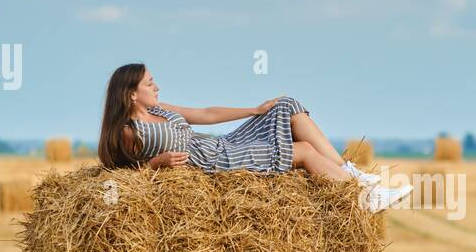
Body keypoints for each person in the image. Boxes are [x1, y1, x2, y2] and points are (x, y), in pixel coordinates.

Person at [97, 63, 410, 212]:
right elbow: (126, 175)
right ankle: (360, 196)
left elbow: (206, 114)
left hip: (220, 145)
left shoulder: (162, 109)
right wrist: (157, 163)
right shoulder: (130, 132)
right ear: (131, 93)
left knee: (286, 103)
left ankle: (353, 174)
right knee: (302, 151)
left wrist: (253, 110)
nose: (157, 87)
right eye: (150, 84)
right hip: (214, 162)